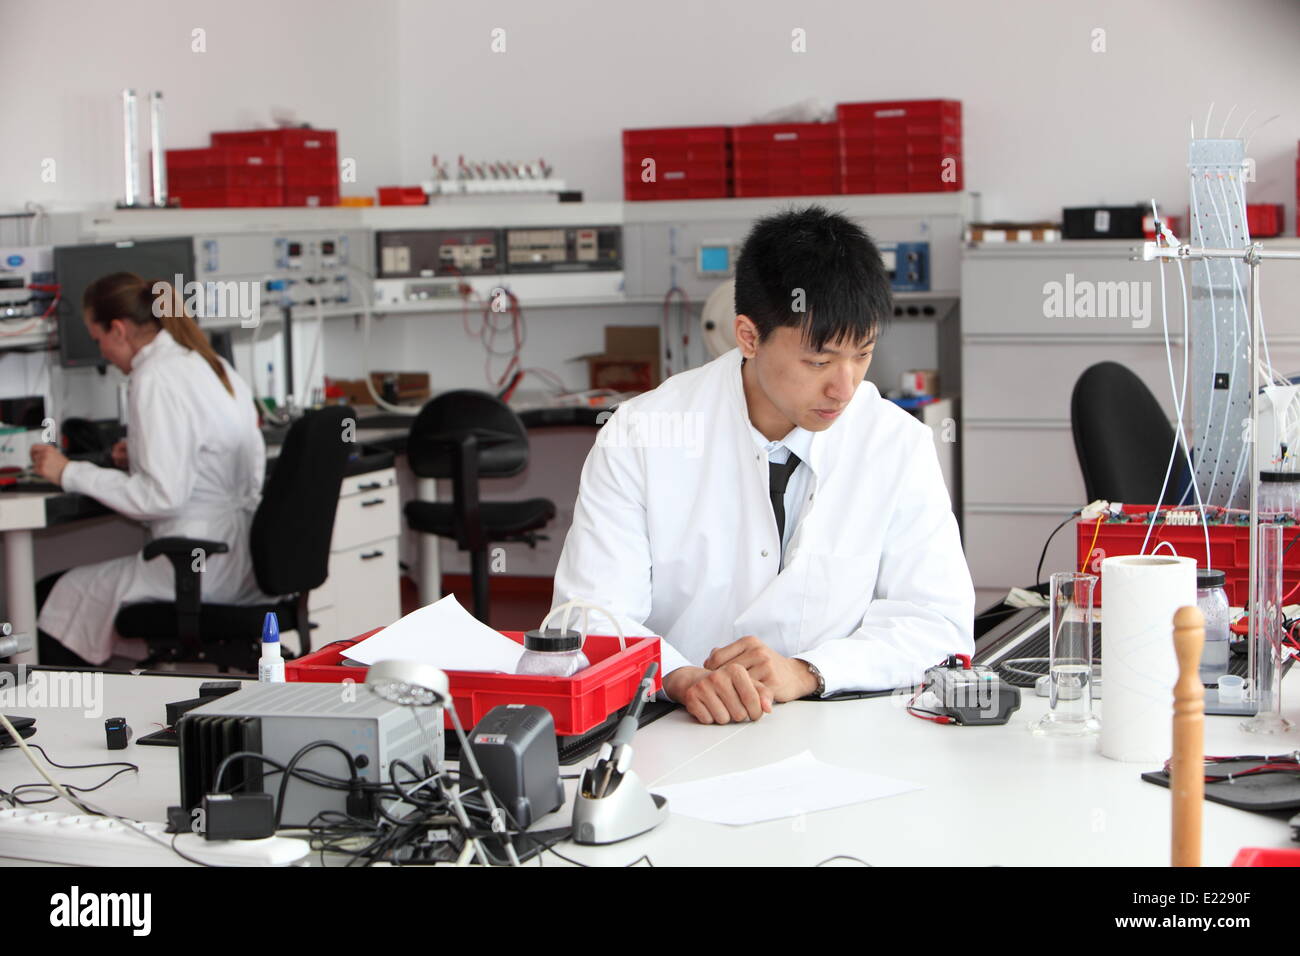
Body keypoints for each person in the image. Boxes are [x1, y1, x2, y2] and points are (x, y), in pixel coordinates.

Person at [552, 205, 974, 724]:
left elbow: (937, 623)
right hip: (680, 730)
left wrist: (808, 670)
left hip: (836, 729)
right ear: (748, 337)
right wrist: (679, 677)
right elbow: (589, 619)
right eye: (818, 361)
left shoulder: (896, 443)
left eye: (862, 355)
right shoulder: (641, 436)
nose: (844, 387)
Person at [29, 273, 270, 666]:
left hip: (198, 563)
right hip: (242, 558)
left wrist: (67, 471)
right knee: (74, 600)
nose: (103, 351)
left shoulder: (154, 377)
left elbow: (162, 496)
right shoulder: (211, 364)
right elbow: (224, 457)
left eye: (99, 339)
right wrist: (141, 454)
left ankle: (65, 719)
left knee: (46, 601)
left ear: (119, 330)